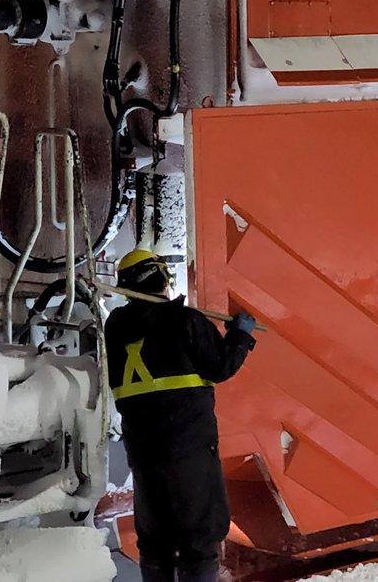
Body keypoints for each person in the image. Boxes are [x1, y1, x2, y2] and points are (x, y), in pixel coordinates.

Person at [105, 248, 258, 582]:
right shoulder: (186, 321)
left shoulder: (115, 328)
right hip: (189, 450)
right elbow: (219, 366)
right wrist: (241, 335)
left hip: (144, 453)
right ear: (163, 278)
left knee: (155, 541)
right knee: (198, 540)